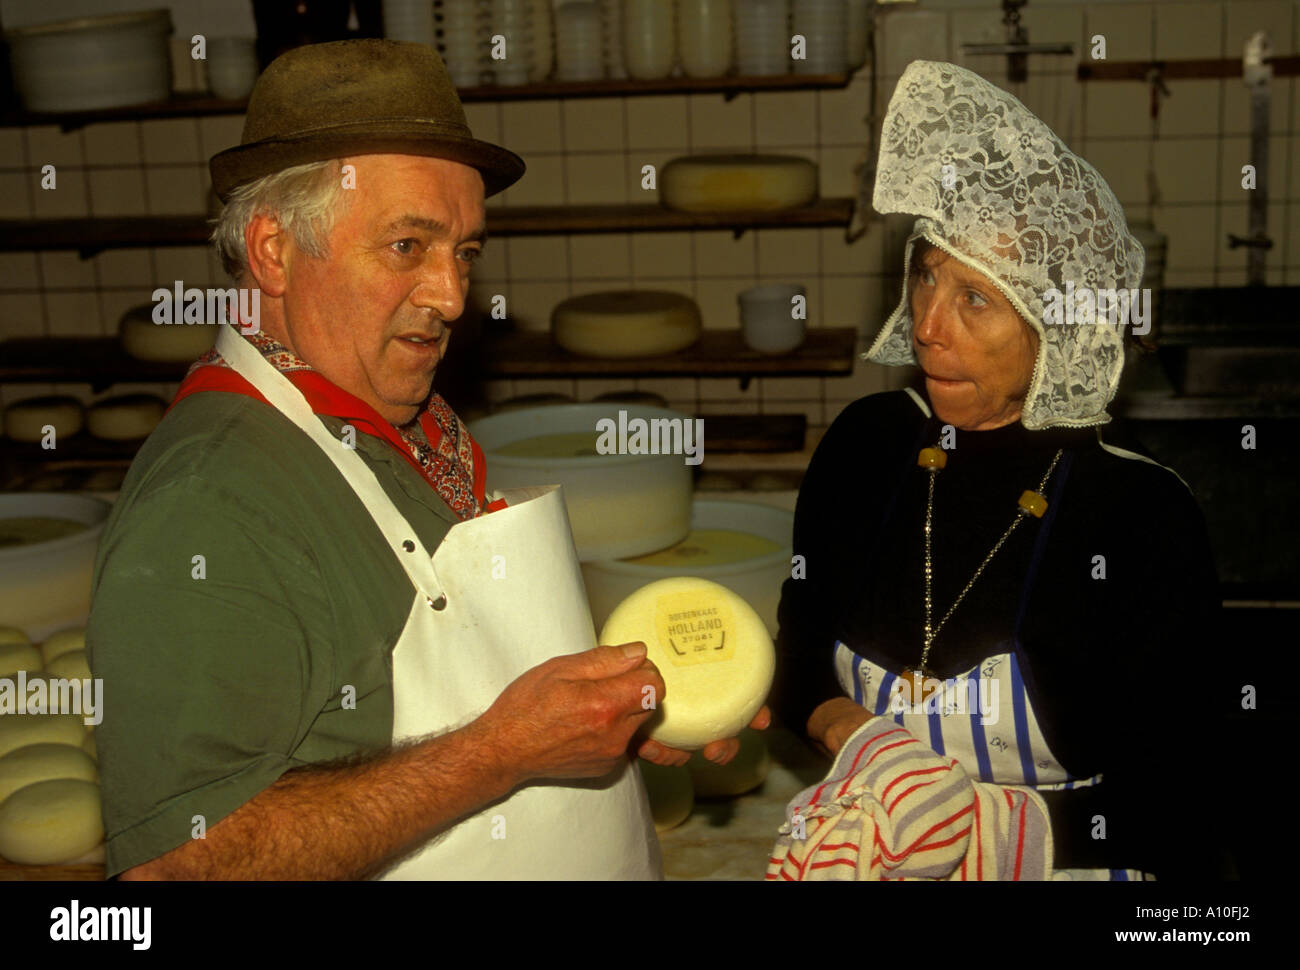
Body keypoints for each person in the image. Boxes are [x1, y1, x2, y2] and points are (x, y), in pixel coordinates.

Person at [86, 39, 765, 881]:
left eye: (466, 253)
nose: (451, 296)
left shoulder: (403, 427)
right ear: (273, 251)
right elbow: (178, 866)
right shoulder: (213, 499)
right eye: (409, 246)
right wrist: (500, 754)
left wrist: (603, 721)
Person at [770, 60, 1222, 880]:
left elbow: (1181, 802)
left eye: (976, 299)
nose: (930, 325)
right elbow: (797, 659)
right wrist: (862, 743)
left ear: (1058, 328)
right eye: (926, 274)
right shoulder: (867, 450)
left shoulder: (1138, 518)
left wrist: (978, 831)